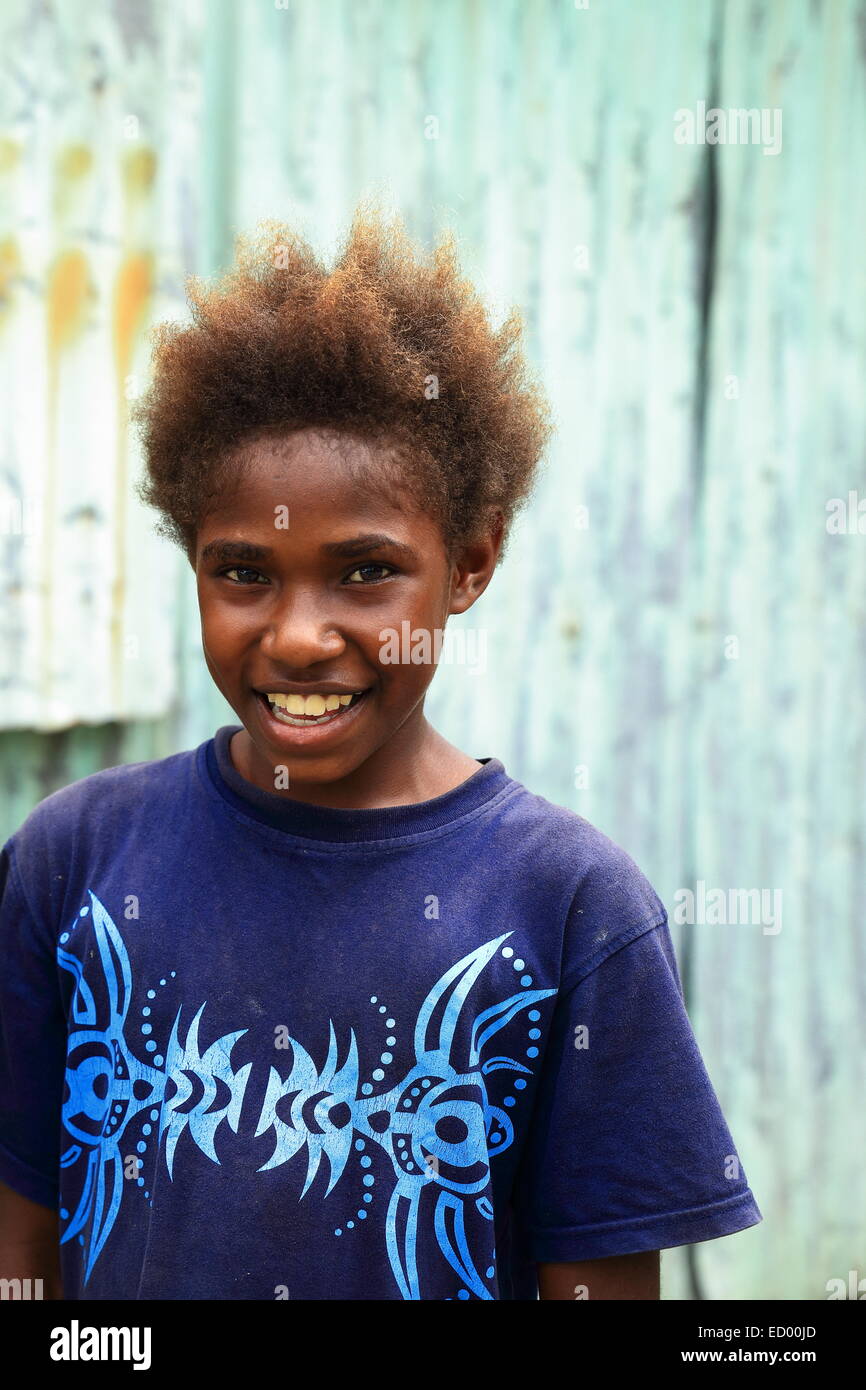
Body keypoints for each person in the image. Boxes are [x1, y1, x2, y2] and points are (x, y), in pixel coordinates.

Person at [0, 201, 761, 1301]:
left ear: (469, 564)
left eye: (363, 571)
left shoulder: (572, 907)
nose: (299, 636)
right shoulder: (72, 859)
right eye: (242, 571)